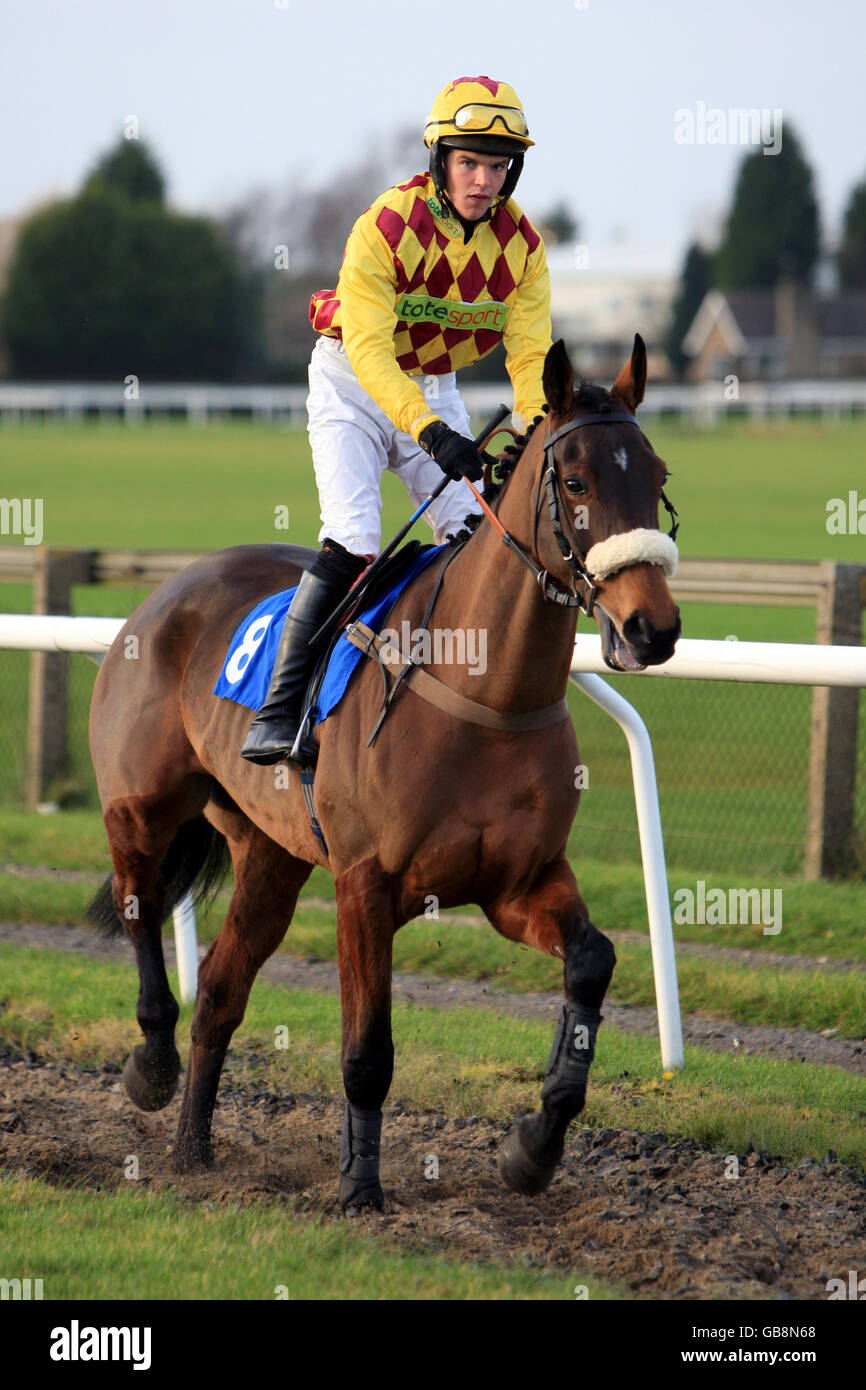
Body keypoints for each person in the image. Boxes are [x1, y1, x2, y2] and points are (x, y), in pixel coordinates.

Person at [241, 74, 552, 766]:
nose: (483, 180)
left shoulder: (524, 248)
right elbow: (373, 354)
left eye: (497, 166)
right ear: (439, 160)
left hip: (433, 384)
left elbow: (531, 360)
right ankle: (281, 710)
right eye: (468, 162)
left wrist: (531, 433)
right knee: (354, 540)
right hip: (354, 378)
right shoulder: (386, 224)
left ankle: (464, 703)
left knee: (481, 535)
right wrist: (433, 433)